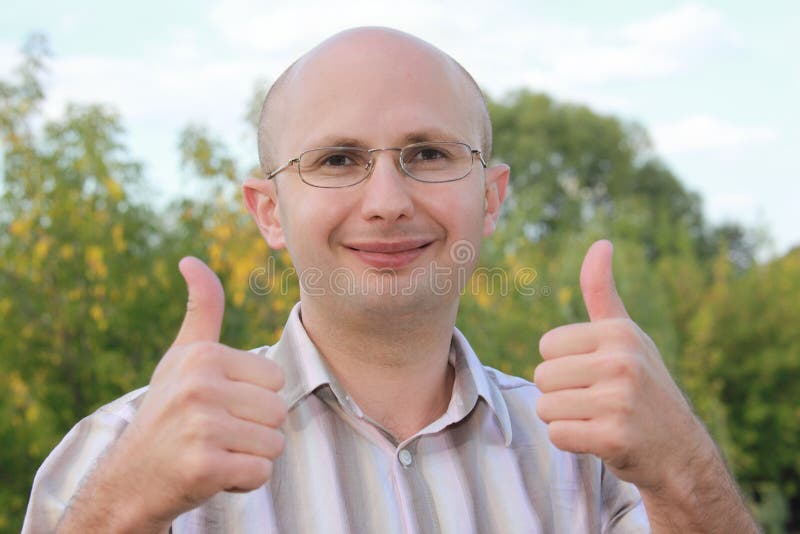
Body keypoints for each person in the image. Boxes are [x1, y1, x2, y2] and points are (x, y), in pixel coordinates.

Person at [23, 27, 757, 533]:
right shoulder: (124, 449)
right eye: (338, 159)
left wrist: (685, 469)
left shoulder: (606, 457)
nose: (387, 201)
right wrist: (122, 513)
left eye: (430, 154)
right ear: (270, 212)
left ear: (491, 198)